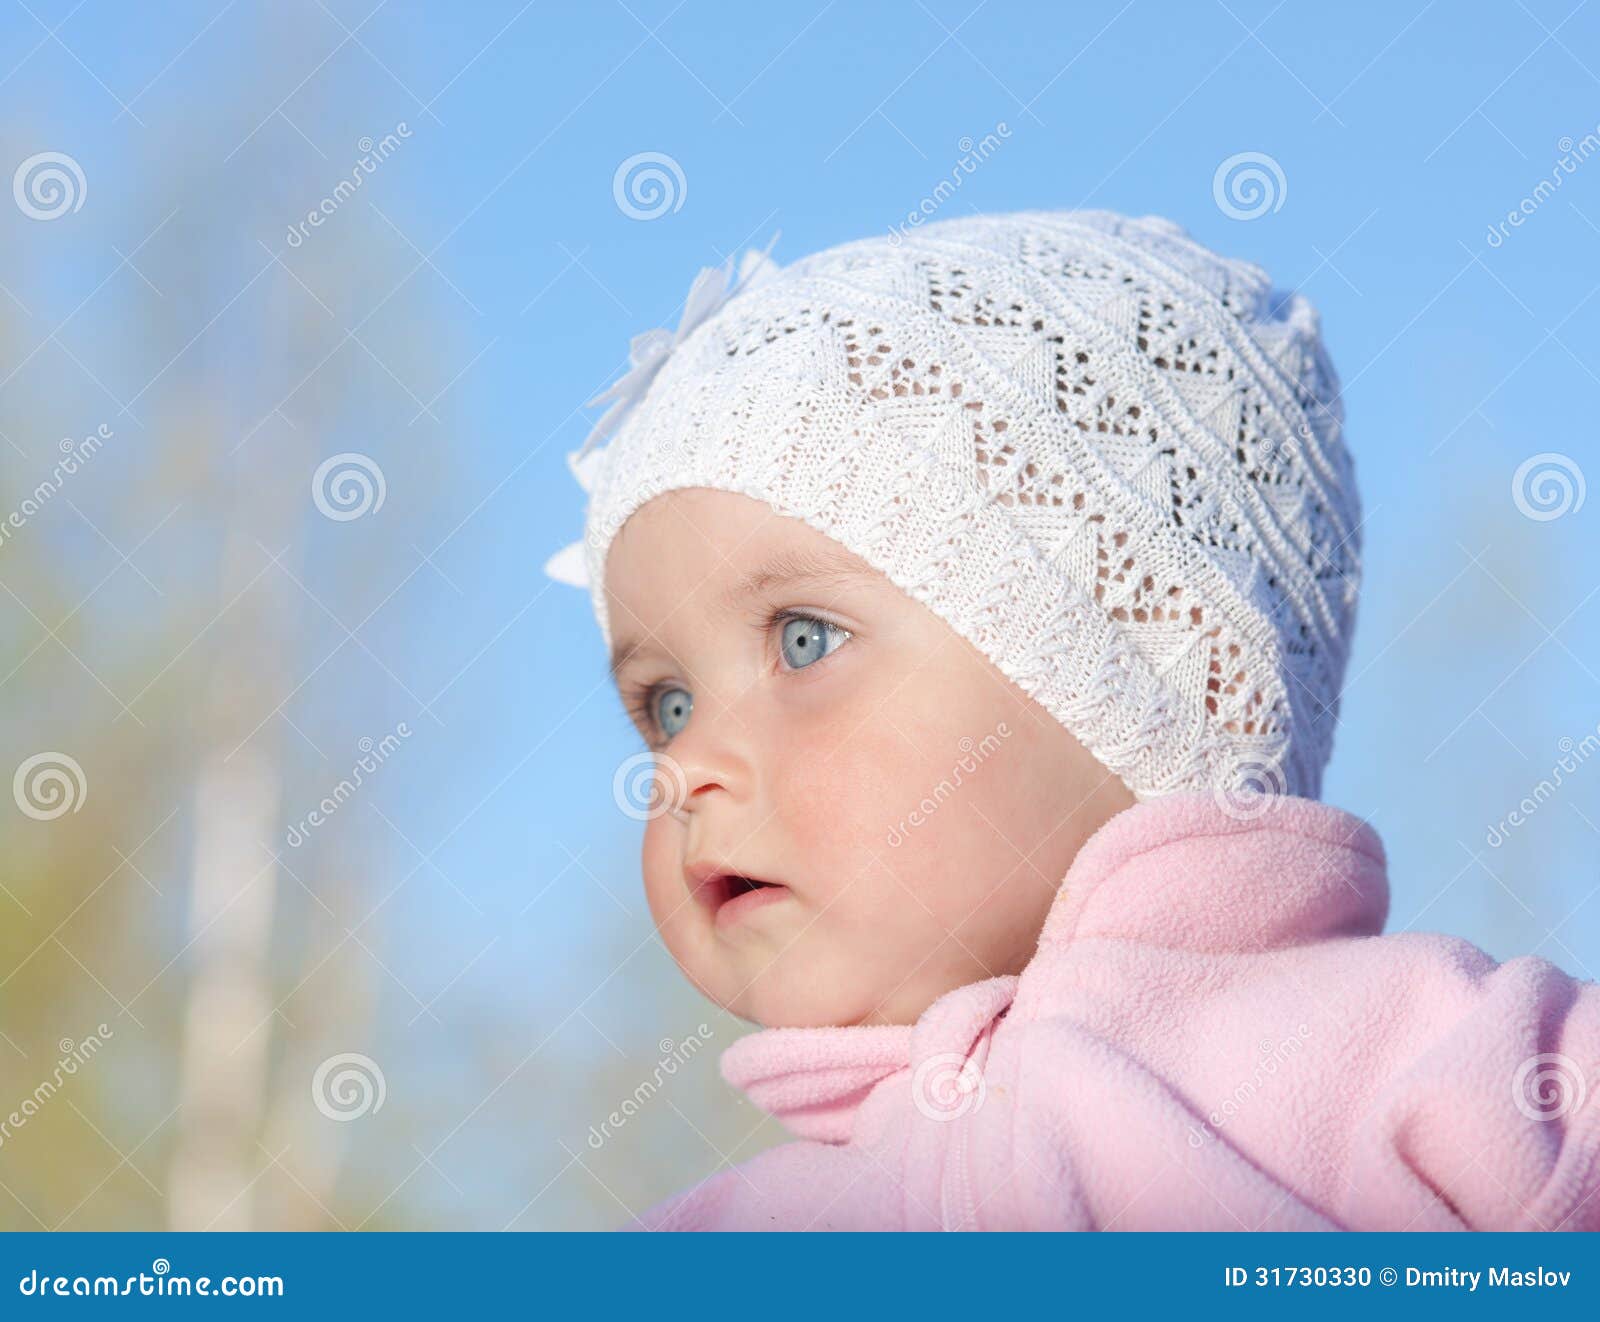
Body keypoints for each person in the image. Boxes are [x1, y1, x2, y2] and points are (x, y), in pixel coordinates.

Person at [544, 211, 1600, 1230]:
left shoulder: (1426, 1057)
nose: (687, 767)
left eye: (805, 639)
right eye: (666, 705)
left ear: (1171, 663)